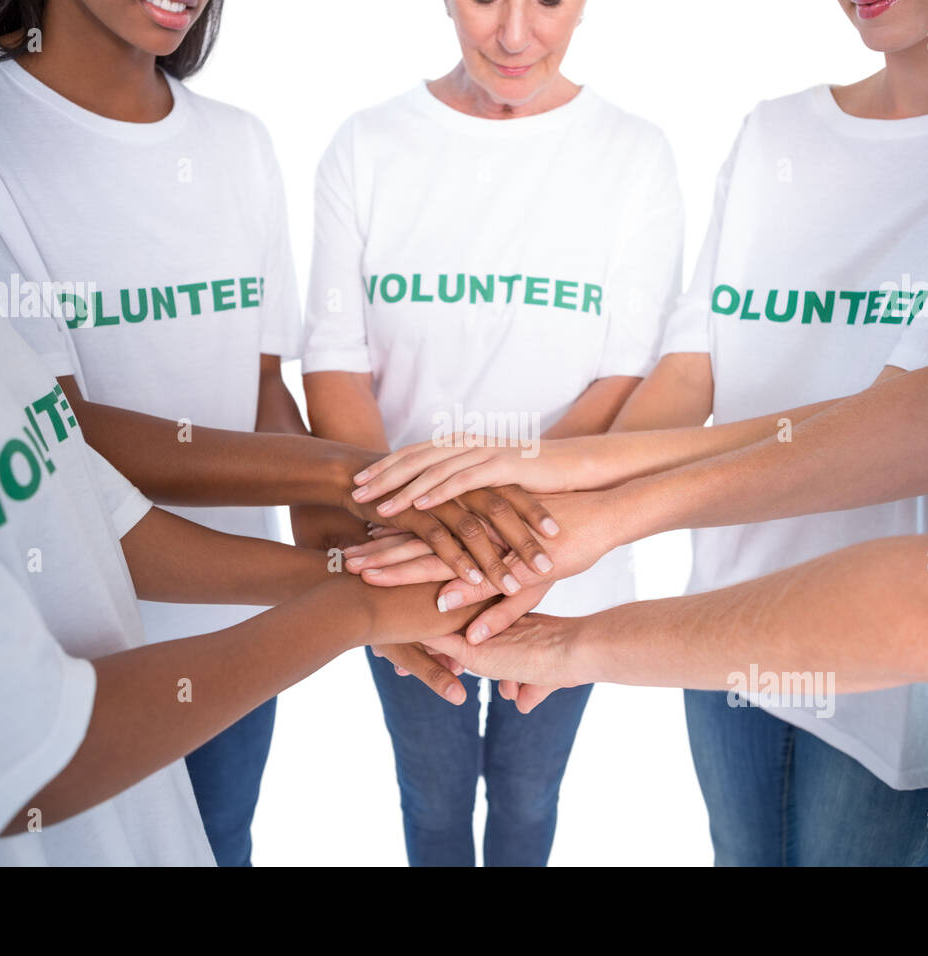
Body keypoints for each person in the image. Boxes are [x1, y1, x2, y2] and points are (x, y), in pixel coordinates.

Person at [347, 0, 928, 865]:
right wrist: (529, 515)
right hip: (710, 630)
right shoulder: (775, 134)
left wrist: (596, 511)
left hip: (884, 670)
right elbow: (689, 376)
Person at [0, 0, 554, 864]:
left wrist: (346, 563)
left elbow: (243, 400)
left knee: (216, 842)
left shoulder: (237, 144)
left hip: (243, 629)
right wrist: (362, 522)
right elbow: (69, 441)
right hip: (89, 653)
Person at [300, 0, 684, 866]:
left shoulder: (634, 156)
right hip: (401, 563)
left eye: (547, 1)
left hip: (564, 567)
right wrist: (421, 539)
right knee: (431, 805)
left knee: (527, 800)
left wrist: (495, 543)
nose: (514, 35)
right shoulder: (366, 148)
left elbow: (627, 377)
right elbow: (333, 365)